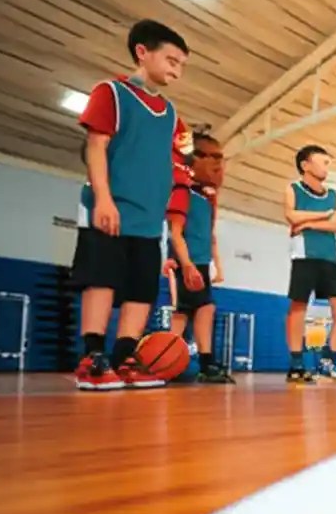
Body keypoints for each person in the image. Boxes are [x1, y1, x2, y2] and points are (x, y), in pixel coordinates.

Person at [72, 19, 191, 391]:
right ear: (142, 52)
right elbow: (96, 147)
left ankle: (125, 355)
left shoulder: (171, 113)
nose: (176, 69)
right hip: (112, 206)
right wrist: (103, 198)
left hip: (148, 218)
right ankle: (92, 356)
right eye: (171, 59)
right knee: (101, 280)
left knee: (141, 288)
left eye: (181, 64)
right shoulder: (111, 92)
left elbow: (172, 164)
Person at [283, 145, 336, 384]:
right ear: (306, 165)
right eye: (323, 161)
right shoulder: (293, 189)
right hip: (304, 257)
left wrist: (307, 222)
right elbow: (291, 216)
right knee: (297, 309)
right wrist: (324, 216)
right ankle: (296, 364)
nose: (327, 166)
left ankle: (328, 362)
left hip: (331, 260)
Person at [164, 131, 233, 383]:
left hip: (200, 263)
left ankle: (201, 363)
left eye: (220, 158)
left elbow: (210, 235)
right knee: (184, 312)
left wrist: (217, 266)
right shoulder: (182, 192)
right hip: (186, 262)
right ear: (194, 159)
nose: (218, 164)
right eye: (212, 157)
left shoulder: (208, 199)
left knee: (202, 309)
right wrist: (186, 264)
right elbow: (175, 233)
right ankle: (167, 361)